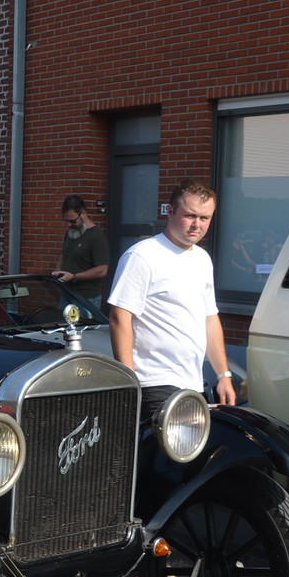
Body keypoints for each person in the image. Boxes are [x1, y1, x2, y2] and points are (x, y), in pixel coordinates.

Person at [106, 180, 236, 423]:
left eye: (205, 218)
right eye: (190, 215)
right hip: (153, 383)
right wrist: (130, 380)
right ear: (170, 211)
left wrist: (224, 375)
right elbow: (119, 317)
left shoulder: (202, 259)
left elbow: (209, 319)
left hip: (193, 382)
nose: (198, 224)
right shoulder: (143, 256)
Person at [52, 195, 110, 305]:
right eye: (66, 221)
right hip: (67, 294)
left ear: (83, 213)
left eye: (72, 221)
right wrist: (58, 270)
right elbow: (64, 255)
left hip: (86, 299)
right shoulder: (71, 232)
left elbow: (102, 270)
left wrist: (74, 276)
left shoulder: (96, 236)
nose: (69, 224)